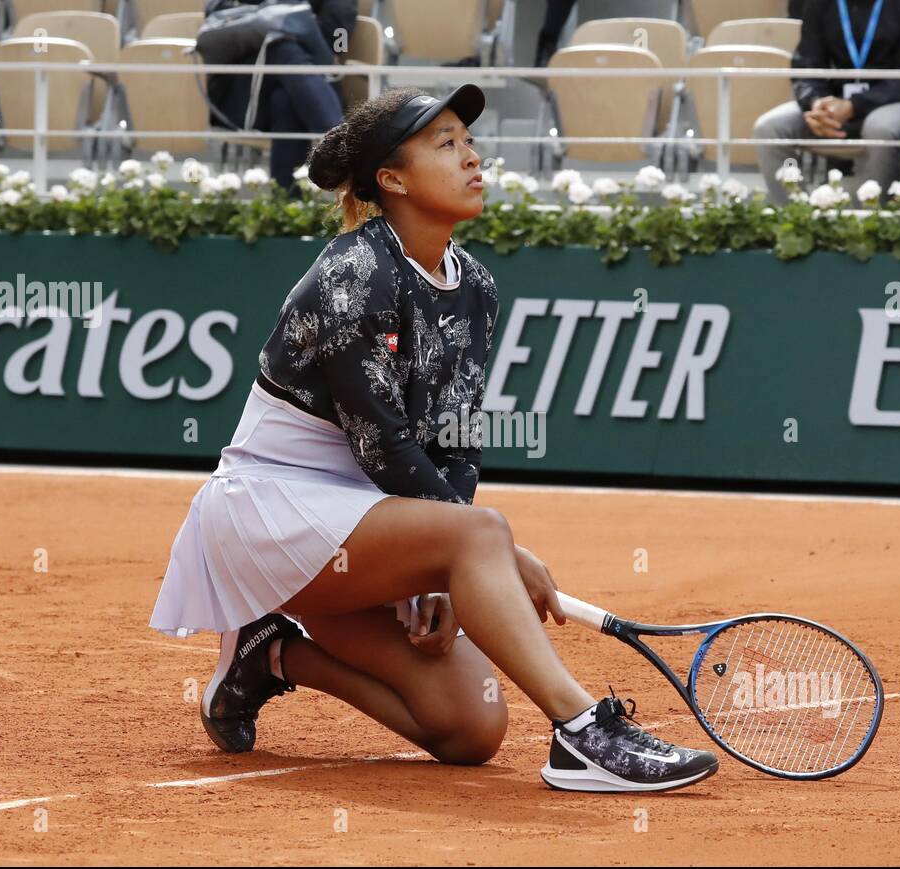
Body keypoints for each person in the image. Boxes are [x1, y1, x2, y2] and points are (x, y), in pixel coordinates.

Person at [149, 84, 720, 794]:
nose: (473, 158)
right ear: (391, 179)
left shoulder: (475, 286)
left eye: (470, 141)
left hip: (365, 526)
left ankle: (268, 657)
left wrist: (446, 567)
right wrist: (482, 549)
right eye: (446, 145)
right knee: (482, 533)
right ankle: (584, 731)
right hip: (268, 512)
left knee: (470, 730)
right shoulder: (352, 276)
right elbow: (383, 444)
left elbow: (456, 439)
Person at [754, 0, 900, 206]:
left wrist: (854, 106)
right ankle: (796, 216)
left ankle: (873, 222)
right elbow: (806, 65)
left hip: (896, 100)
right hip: (834, 105)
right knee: (770, 128)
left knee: (880, 129)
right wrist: (816, 103)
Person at [205, 0, 355, 188]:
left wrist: (296, 25)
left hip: (306, 90)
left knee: (284, 99)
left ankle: (287, 201)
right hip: (244, 97)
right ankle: (342, 147)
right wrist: (276, 19)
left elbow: (338, 42)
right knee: (281, 47)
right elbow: (216, 16)